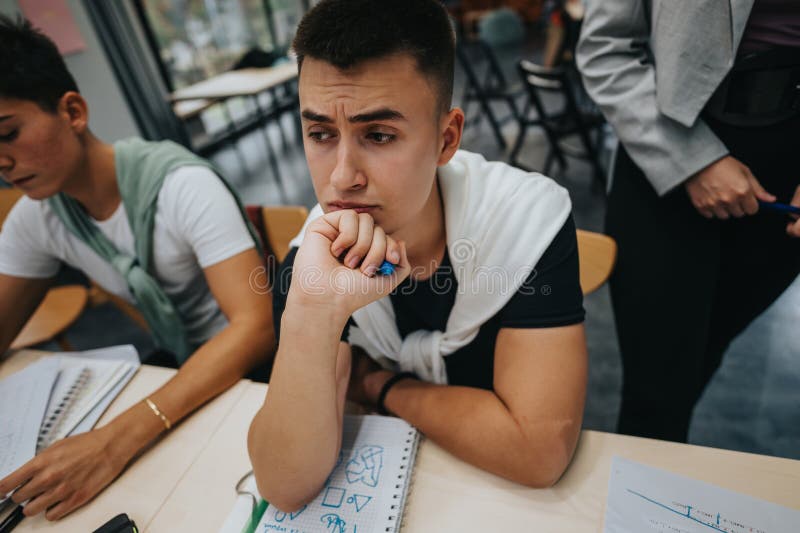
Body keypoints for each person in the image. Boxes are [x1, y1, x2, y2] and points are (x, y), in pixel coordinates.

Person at [248, 0, 588, 511]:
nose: (342, 177)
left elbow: (538, 453)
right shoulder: (314, 256)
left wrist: (377, 384)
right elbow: (284, 485)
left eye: (378, 135)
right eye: (320, 133)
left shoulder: (522, 223)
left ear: (446, 138)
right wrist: (314, 310)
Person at [0, 16, 275, 520]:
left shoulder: (182, 185)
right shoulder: (38, 216)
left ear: (73, 111)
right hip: (175, 370)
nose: (2, 160)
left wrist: (113, 442)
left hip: (253, 374)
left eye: (9, 133)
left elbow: (256, 328)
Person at [577, 0, 800, 442]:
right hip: (667, 147)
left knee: (704, 354)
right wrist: (691, 162)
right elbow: (606, 48)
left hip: (785, 170)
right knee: (655, 388)